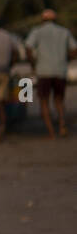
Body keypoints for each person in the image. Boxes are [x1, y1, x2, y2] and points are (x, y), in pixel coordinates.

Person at [24, 8, 77, 139]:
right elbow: (74, 50)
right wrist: (65, 59)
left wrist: (33, 64)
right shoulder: (64, 32)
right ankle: (62, 125)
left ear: (42, 20)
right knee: (59, 100)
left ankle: (51, 132)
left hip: (43, 71)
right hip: (60, 70)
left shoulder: (37, 31)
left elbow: (28, 48)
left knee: (44, 101)